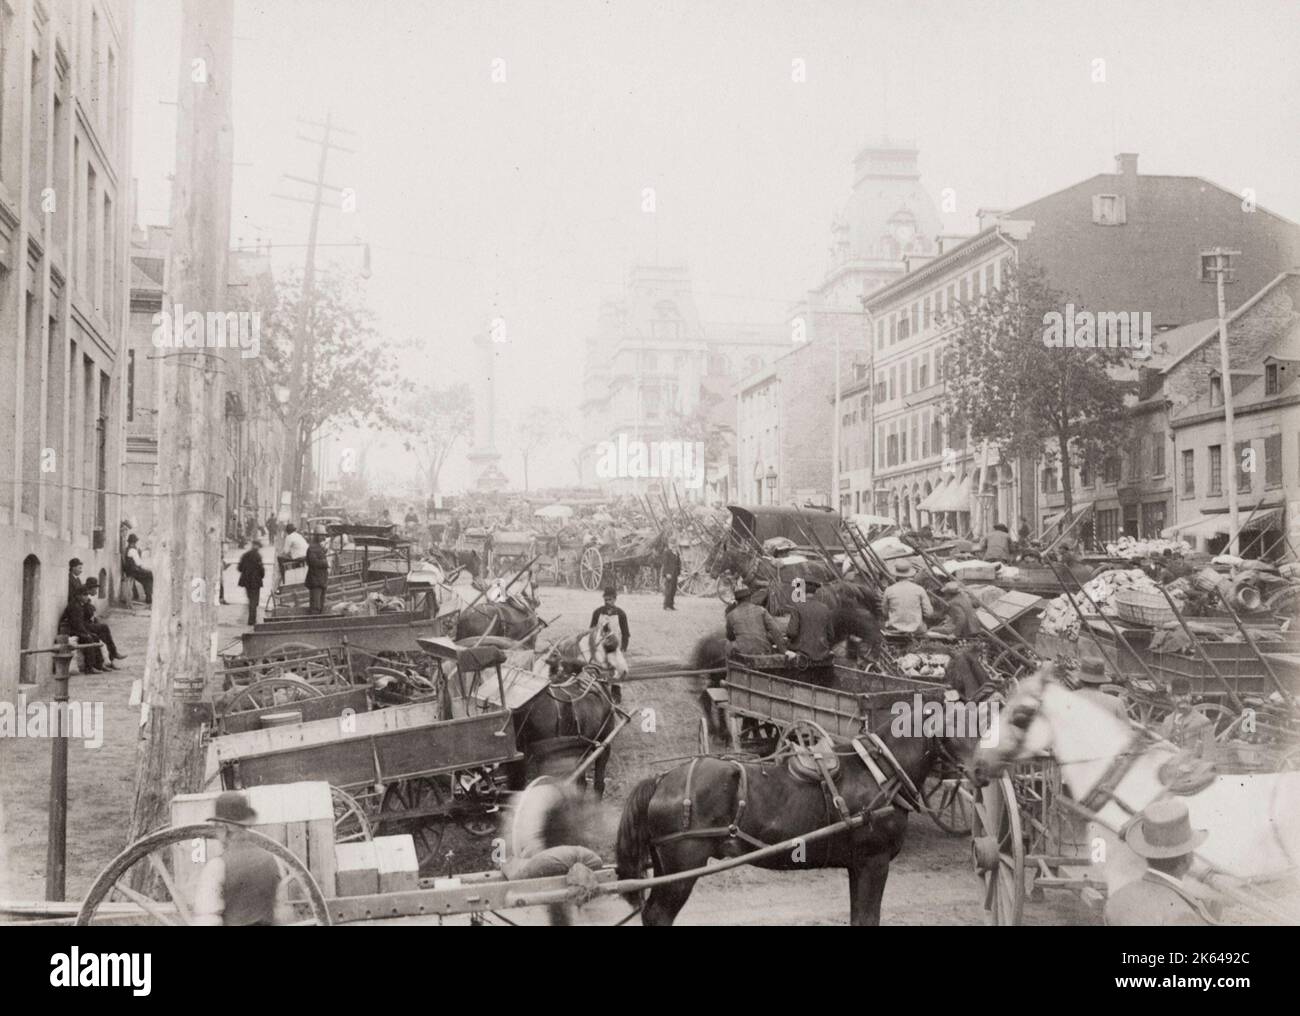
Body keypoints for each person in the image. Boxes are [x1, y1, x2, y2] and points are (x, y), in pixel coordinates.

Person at [1103, 799, 1218, 926]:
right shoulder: (1182, 914)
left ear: (1148, 853)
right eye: (1191, 848)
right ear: (1186, 859)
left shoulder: (1117, 897)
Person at [193, 792, 291, 926]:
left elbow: (207, 920)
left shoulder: (217, 867)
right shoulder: (273, 860)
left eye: (216, 827)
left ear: (224, 828)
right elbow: (281, 914)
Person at [783, 581, 837, 684]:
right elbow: (831, 635)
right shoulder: (825, 608)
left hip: (803, 656)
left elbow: (792, 632)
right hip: (822, 656)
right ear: (816, 592)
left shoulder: (797, 607)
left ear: (802, 591)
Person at [725, 582, 787, 657]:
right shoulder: (761, 610)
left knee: (728, 645)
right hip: (764, 650)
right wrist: (784, 651)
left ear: (737, 601)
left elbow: (730, 637)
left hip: (743, 652)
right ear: (750, 598)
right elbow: (775, 630)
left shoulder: (730, 615)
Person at [1157, 677, 1215, 755]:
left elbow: (1209, 756)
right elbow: (1161, 751)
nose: (1183, 698)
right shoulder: (1167, 721)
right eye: (1179, 695)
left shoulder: (1203, 722)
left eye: (1186, 694)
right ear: (1172, 698)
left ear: (1190, 696)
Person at [60, 581, 107, 673]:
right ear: (78, 596)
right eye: (84, 595)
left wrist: (87, 633)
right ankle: (89, 668)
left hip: (76, 629)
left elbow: (81, 623)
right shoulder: (74, 606)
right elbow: (76, 625)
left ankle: (99, 664)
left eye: (86, 595)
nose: (86, 597)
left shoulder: (80, 605)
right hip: (70, 630)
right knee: (89, 638)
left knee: (94, 637)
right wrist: (86, 633)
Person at [881, 561, 935, 634]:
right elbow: (929, 613)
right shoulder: (919, 589)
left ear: (896, 575)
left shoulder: (889, 590)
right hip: (916, 629)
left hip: (894, 628)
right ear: (909, 574)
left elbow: (884, 612)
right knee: (924, 626)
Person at [590, 587, 630, 655]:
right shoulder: (597, 613)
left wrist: (623, 649)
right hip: (600, 649)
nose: (607, 602)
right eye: (605, 600)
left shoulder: (621, 614)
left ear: (615, 599)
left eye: (610, 599)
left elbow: (625, 634)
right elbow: (591, 631)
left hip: (616, 649)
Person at [238, 539, 266, 626]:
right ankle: (252, 620)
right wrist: (261, 575)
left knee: (251, 599)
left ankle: (252, 619)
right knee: (254, 601)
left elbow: (239, 568)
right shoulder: (258, 556)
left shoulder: (245, 555)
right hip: (255, 581)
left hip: (246, 580)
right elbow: (261, 570)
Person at [123, 534, 154, 606]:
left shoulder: (128, 549)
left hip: (130, 570)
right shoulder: (133, 550)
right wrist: (146, 568)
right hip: (134, 571)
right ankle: (148, 597)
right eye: (134, 542)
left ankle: (147, 595)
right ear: (134, 542)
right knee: (150, 576)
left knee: (147, 576)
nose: (134, 544)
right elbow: (138, 563)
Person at [305, 526, 329, 614]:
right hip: (316, 581)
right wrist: (325, 562)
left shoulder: (317, 547)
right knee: (316, 607)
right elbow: (314, 562)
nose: (324, 537)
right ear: (316, 536)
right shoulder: (312, 548)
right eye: (322, 535)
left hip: (321, 580)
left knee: (320, 606)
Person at [660, 533, 681, 611]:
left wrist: (679, 572)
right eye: (671, 544)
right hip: (669, 574)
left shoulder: (676, 553)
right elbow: (665, 564)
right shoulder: (667, 552)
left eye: (674, 544)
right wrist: (667, 573)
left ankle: (671, 605)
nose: (672, 546)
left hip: (675, 573)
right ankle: (666, 606)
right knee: (668, 590)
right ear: (669, 544)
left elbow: (679, 563)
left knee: (673, 589)